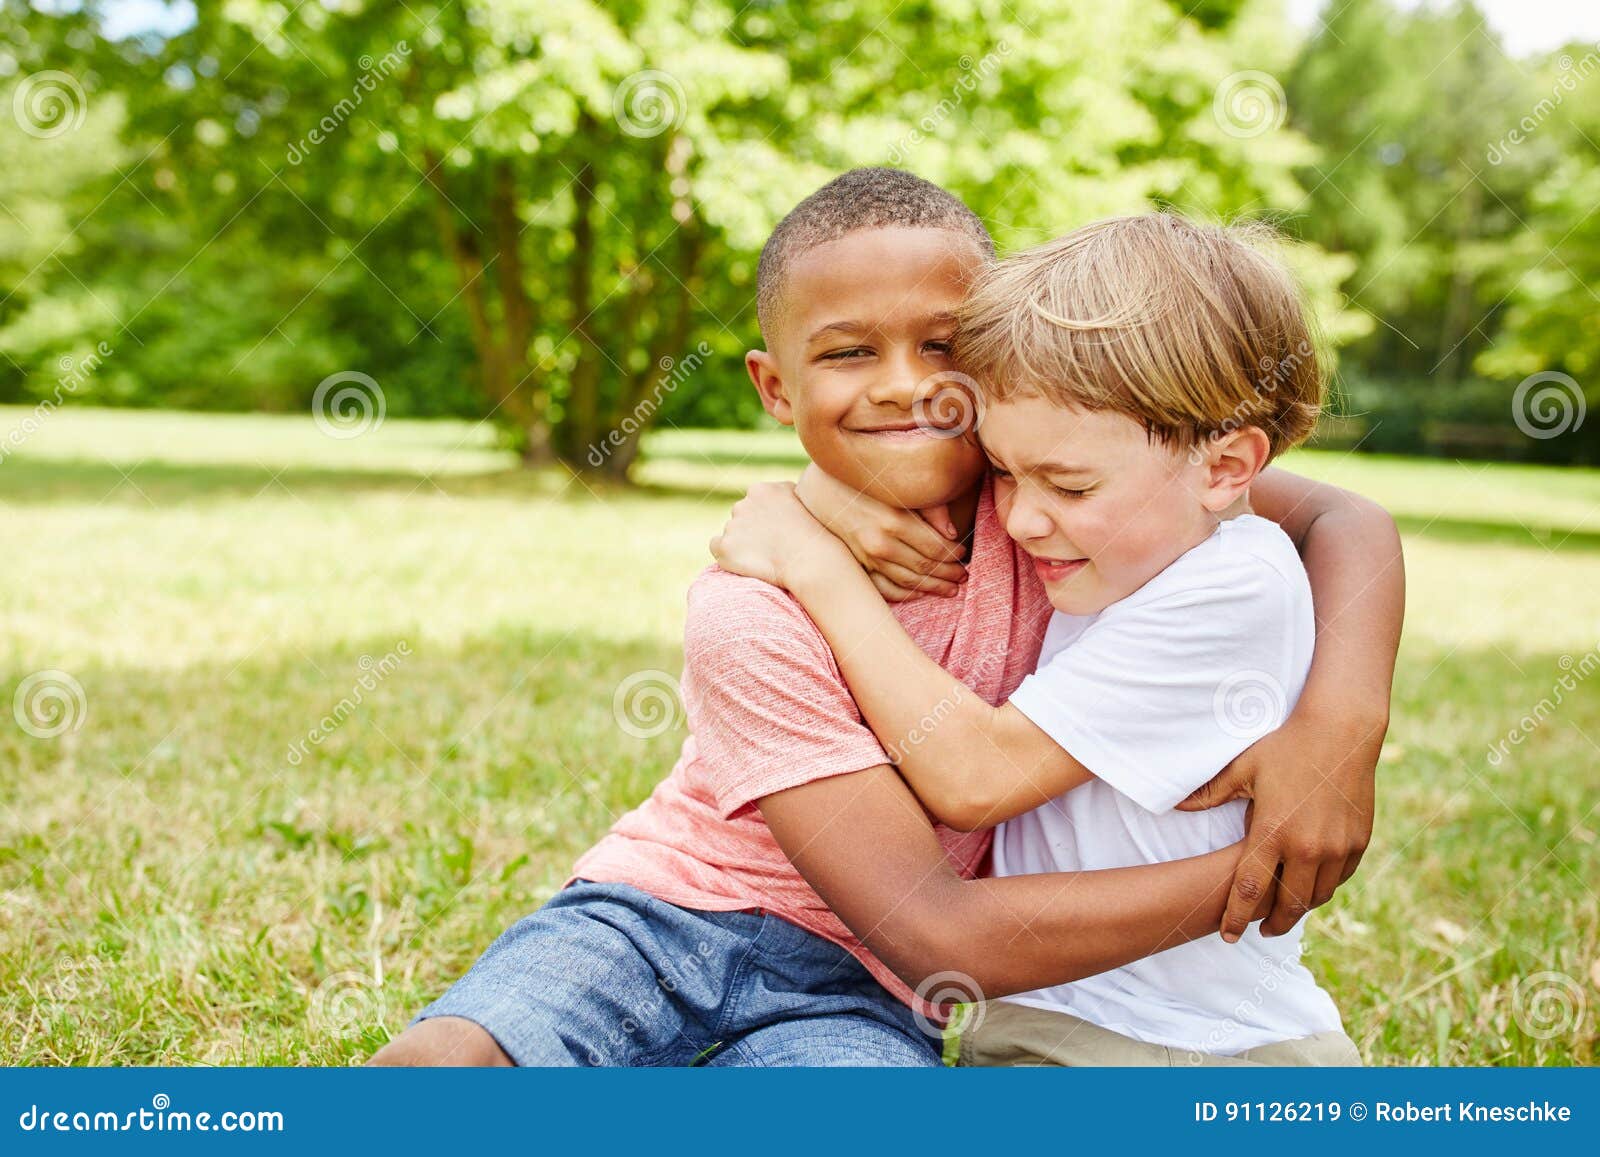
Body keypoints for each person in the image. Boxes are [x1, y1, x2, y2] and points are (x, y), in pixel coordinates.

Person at [369, 170, 1399, 1068]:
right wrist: (818, 556)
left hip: (866, 988)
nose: (906, 385)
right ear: (776, 386)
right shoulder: (757, 601)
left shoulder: (1054, 513)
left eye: (943, 344)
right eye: (849, 351)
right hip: (664, 914)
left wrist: (1340, 728)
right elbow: (940, 909)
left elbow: (1344, 517)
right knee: (458, 1056)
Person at [710, 212, 1399, 1065]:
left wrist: (817, 565)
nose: (1023, 518)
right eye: (1003, 470)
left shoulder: (1230, 575)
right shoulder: (1125, 510)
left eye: (1068, 486)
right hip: (1041, 1026)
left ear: (1224, 469)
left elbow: (973, 775)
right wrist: (817, 493)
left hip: (1201, 1048)